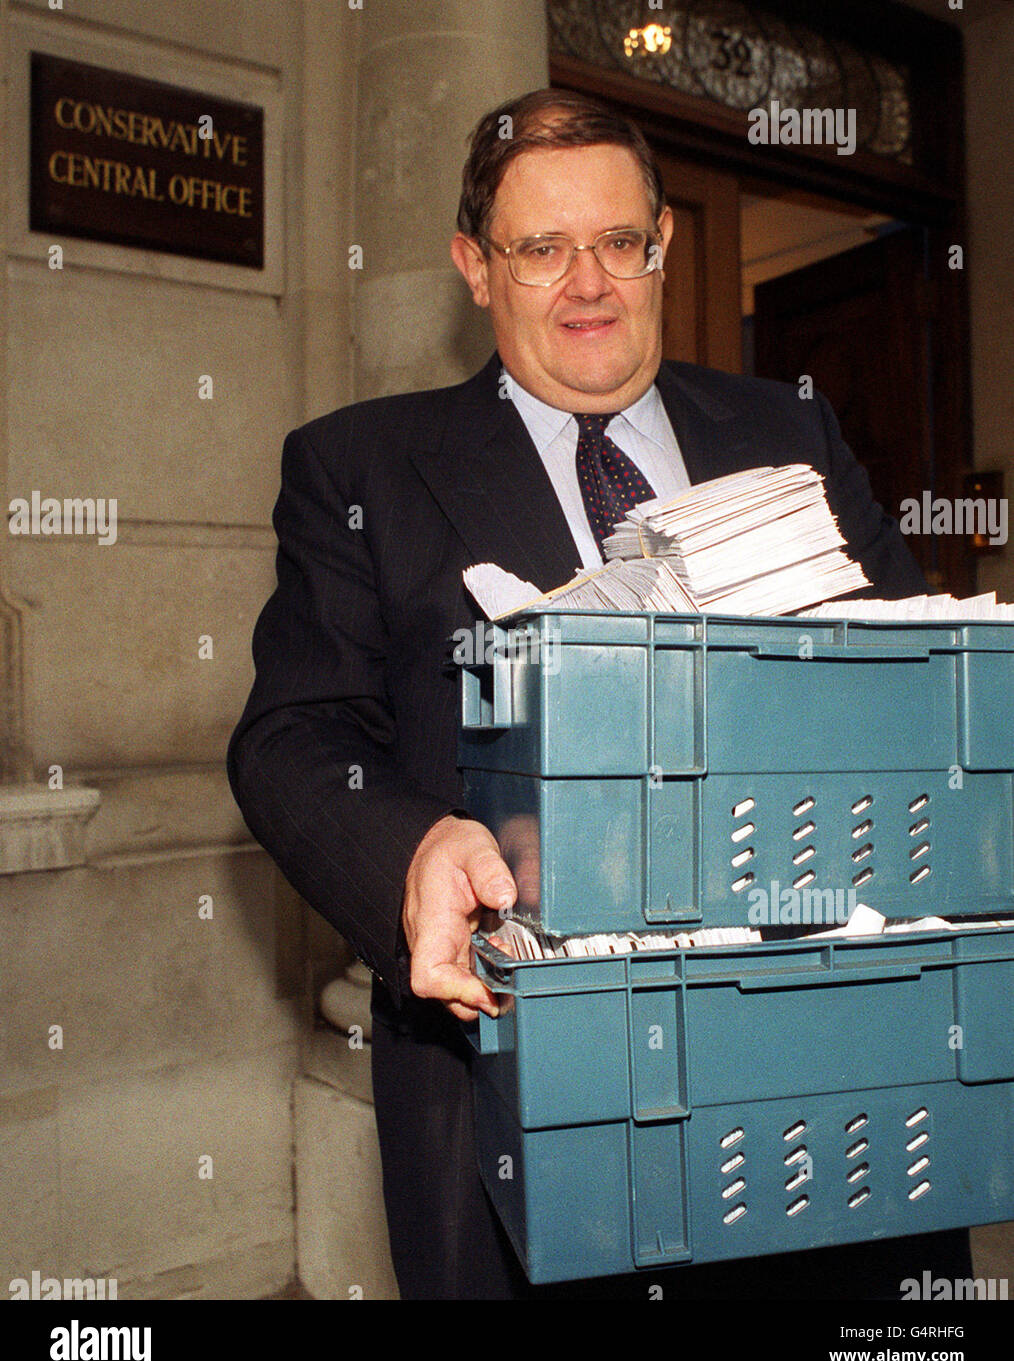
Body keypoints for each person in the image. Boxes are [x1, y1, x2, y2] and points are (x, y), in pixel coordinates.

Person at [228, 88, 970, 1299]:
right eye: (540, 249)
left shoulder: (790, 428)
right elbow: (292, 735)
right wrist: (409, 846)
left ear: (662, 244)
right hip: (525, 1097)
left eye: (620, 243)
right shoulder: (357, 465)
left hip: (831, 1077)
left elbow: (916, 673)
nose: (589, 284)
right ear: (476, 266)